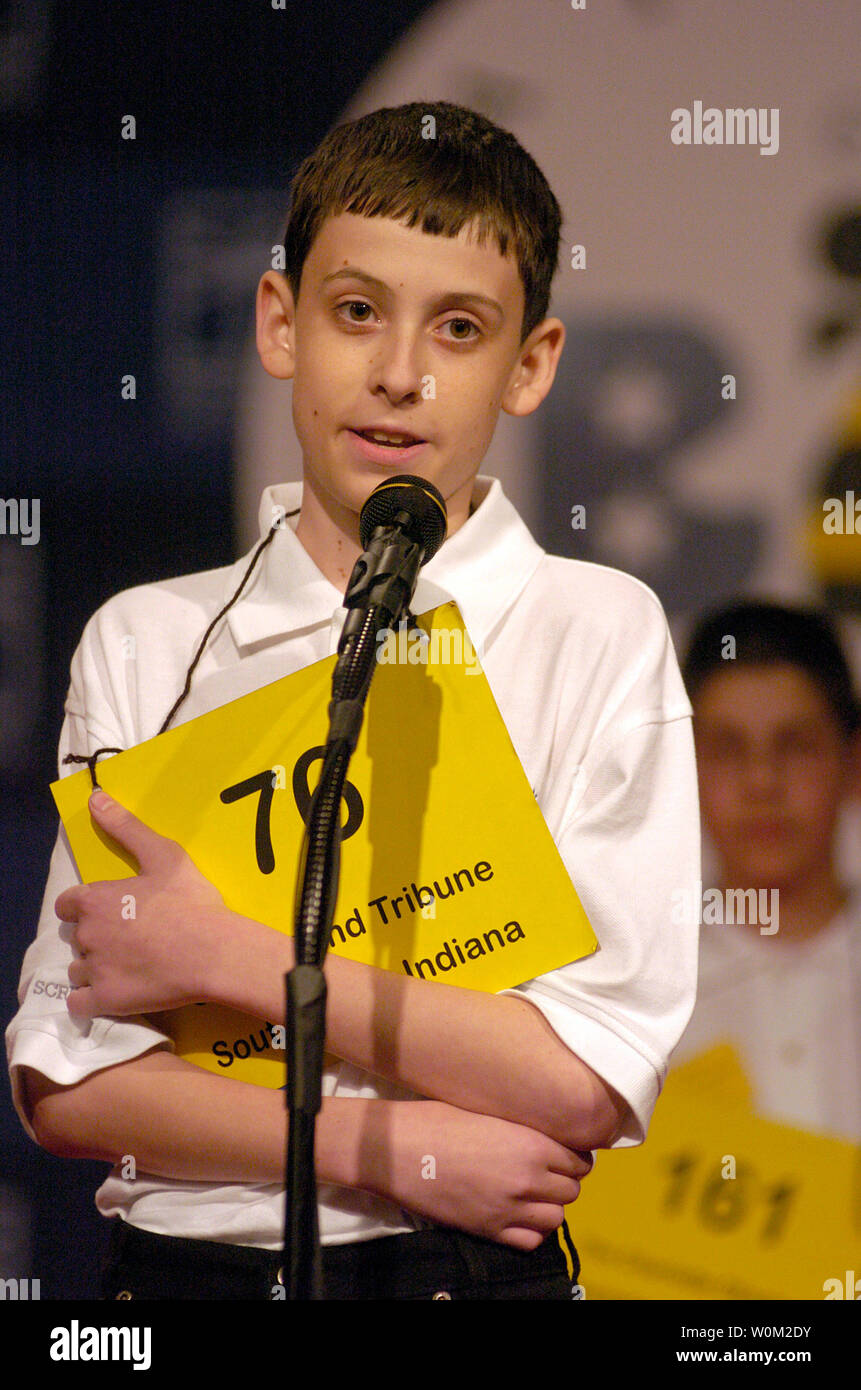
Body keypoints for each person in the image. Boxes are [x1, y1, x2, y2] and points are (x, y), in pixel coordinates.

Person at [6, 100, 699, 1300]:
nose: (398, 373)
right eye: (357, 311)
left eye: (461, 328)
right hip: (178, 1277)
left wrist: (231, 958)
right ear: (280, 323)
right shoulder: (148, 639)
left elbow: (588, 1070)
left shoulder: (595, 629)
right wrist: (403, 1152)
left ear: (531, 364)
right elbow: (69, 1083)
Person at [673, 600, 861, 1143]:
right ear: (685, 764)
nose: (762, 782)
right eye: (727, 749)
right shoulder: (632, 987)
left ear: (852, 761)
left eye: (797, 746)